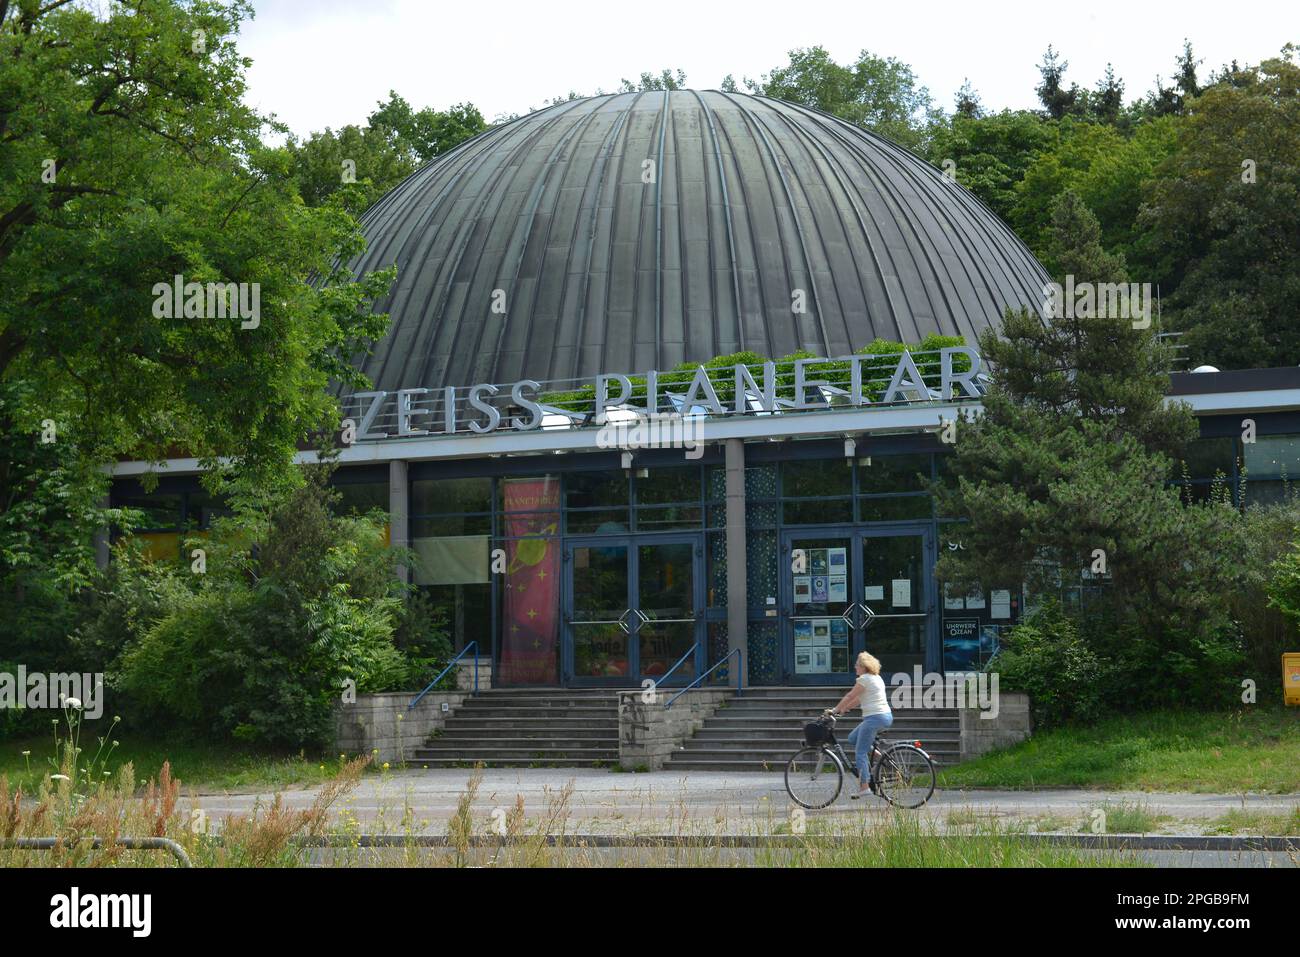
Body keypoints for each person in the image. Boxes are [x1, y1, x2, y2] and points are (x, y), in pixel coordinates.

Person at [827, 651, 893, 799]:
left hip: (874, 718)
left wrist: (835, 710)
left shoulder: (863, 679)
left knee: (860, 752)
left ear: (864, 666)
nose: (855, 667)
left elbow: (850, 695)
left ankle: (864, 787)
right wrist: (844, 709)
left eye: (857, 665)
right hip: (885, 716)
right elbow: (858, 699)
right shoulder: (876, 678)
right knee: (852, 738)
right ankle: (879, 757)